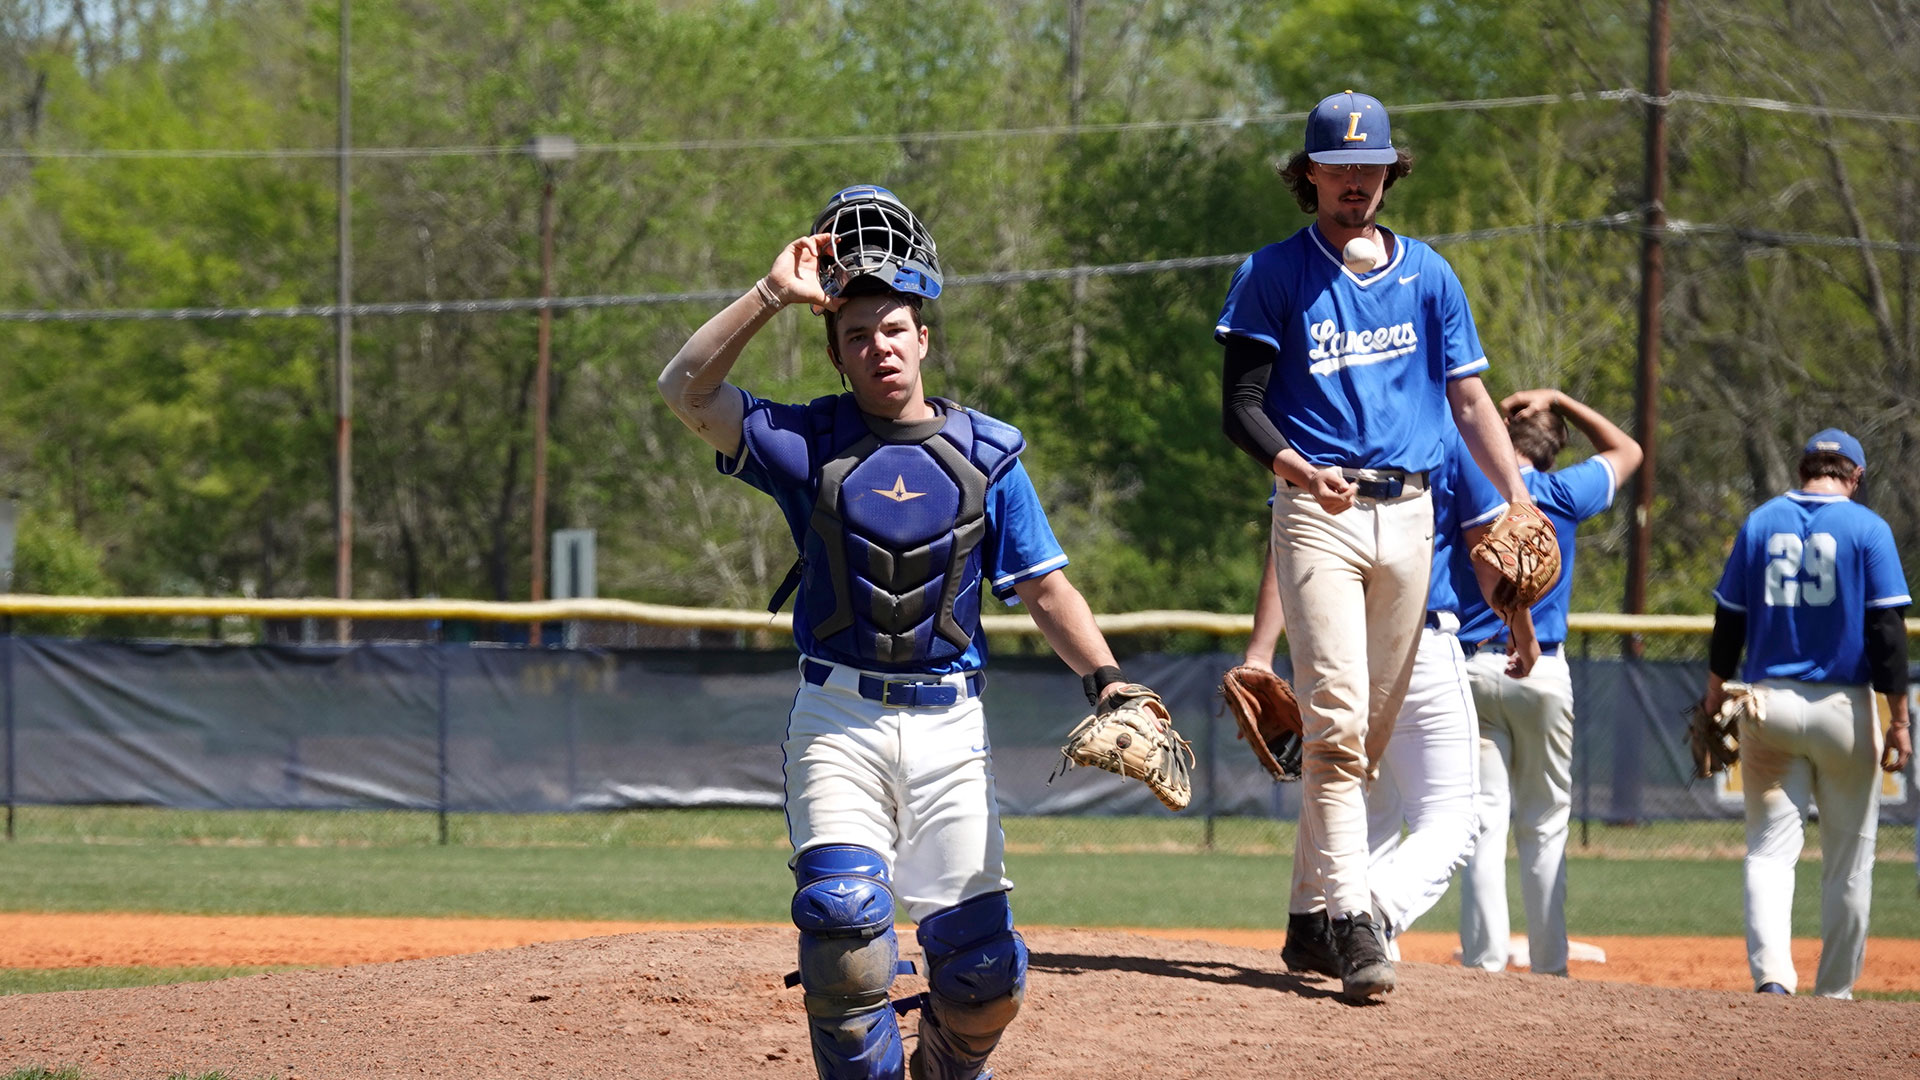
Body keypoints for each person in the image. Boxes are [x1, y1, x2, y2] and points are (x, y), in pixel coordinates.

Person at [657, 186, 1149, 1079]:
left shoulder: (988, 455)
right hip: (838, 723)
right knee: (844, 931)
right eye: (856, 336)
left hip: (949, 728)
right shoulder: (806, 442)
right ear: (837, 352)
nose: (877, 348)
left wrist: (1108, 679)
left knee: (985, 978)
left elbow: (1043, 586)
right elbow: (684, 388)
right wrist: (771, 295)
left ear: (922, 335)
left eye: (892, 329)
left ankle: (945, 1067)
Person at [1216, 89, 1533, 1002]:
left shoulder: (1430, 273)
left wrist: (1517, 498)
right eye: (1339, 167)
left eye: (1372, 167)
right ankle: (1356, 925)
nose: (1357, 182)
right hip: (1320, 508)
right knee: (1340, 723)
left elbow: (1472, 399)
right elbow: (1241, 403)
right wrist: (1293, 468)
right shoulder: (1275, 272)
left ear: (1391, 173)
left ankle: (1309, 919)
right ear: (1307, 175)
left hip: (1415, 515)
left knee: (1368, 729)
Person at [1242, 429, 1539, 980]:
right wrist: (1521, 625)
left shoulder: (1323, 431)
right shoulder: (1443, 433)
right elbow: (1485, 546)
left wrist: (1260, 652)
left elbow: (1285, 540)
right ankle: (1365, 918)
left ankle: (1315, 922)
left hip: (1336, 644)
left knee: (1344, 793)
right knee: (1453, 815)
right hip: (1417, 645)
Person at [1701, 428, 1911, 998]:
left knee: (1769, 852)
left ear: (1803, 470)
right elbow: (1886, 633)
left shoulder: (1761, 521)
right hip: (1844, 706)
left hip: (1767, 703)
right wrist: (1899, 718)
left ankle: (1772, 978)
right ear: (1855, 475)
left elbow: (1730, 622)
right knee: (1849, 860)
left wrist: (1715, 691)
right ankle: (1835, 993)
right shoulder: (1868, 528)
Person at [1454, 388, 1643, 977]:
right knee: (1545, 824)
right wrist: (1562, 400)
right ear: (1555, 448)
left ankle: (1484, 964)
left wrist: (1497, 420)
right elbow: (1628, 450)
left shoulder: (1475, 487)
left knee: (1482, 823)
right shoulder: (1564, 491)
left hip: (1472, 667)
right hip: (1544, 669)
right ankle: (1550, 967)